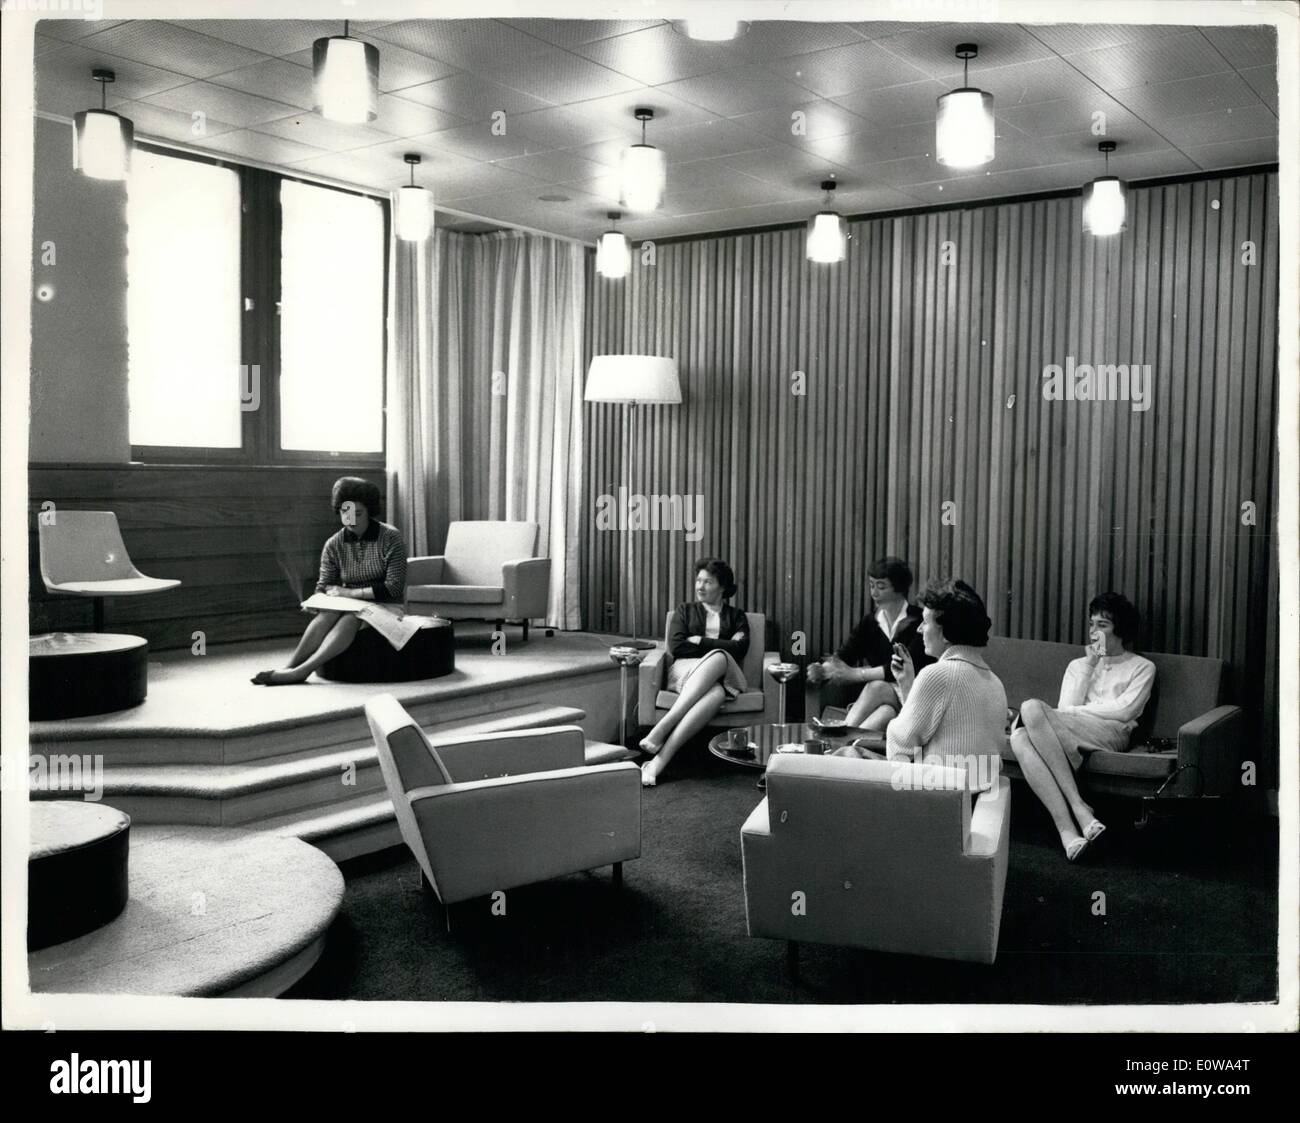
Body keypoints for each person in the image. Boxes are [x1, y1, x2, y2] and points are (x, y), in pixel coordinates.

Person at [1010, 593, 1155, 861]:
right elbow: (1065, 709)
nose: (1093, 632)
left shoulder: (1142, 667)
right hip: (1071, 730)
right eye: (1091, 624)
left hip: (1111, 734)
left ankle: (1077, 808)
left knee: (1030, 709)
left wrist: (1077, 712)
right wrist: (1090, 666)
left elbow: (1125, 711)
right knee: (1019, 737)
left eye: (1103, 625)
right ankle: (1069, 829)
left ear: (1120, 629)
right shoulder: (1078, 666)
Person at [836, 579, 1006, 795]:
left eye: (925, 622)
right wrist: (908, 684)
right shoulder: (995, 682)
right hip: (970, 795)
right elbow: (936, 731)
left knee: (845, 755)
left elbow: (899, 750)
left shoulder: (937, 675)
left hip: (933, 798)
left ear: (945, 633)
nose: (919, 628)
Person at [252, 477, 408, 686]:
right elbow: (324, 584)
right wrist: (318, 600)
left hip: (387, 606)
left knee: (351, 618)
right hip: (348, 604)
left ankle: (302, 672)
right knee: (328, 614)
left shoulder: (391, 537)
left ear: (370, 511)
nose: (350, 519)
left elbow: (394, 587)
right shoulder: (334, 543)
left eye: (357, 513)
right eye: (345, 513)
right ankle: (290, 666)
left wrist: (352, 594)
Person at [638, 558, 749, 787]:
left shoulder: (737, 616)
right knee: (717, 687)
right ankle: (659, 760)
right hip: (684, 670)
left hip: (723, 673)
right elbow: (677, 647)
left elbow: (739, 650)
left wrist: (700, 640)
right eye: (698, 580)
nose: (700, 586)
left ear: (723, 586)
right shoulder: (684, 611)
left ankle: (659, 750)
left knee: (718, 658)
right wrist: (722, 643)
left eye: (708, 582)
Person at [806, 556, 934, 731]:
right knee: (885, 713)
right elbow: (846, 654)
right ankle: (839, 749)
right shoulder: (870, 621)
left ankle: (834, 737)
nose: (874, 592)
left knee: (876, 687)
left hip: (914, 694)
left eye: (881, 586)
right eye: (871, 585)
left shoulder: (918, 620)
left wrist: (856, 674)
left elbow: (899, 667)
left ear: (899, 588)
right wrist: (824, 669)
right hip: (887, 702)